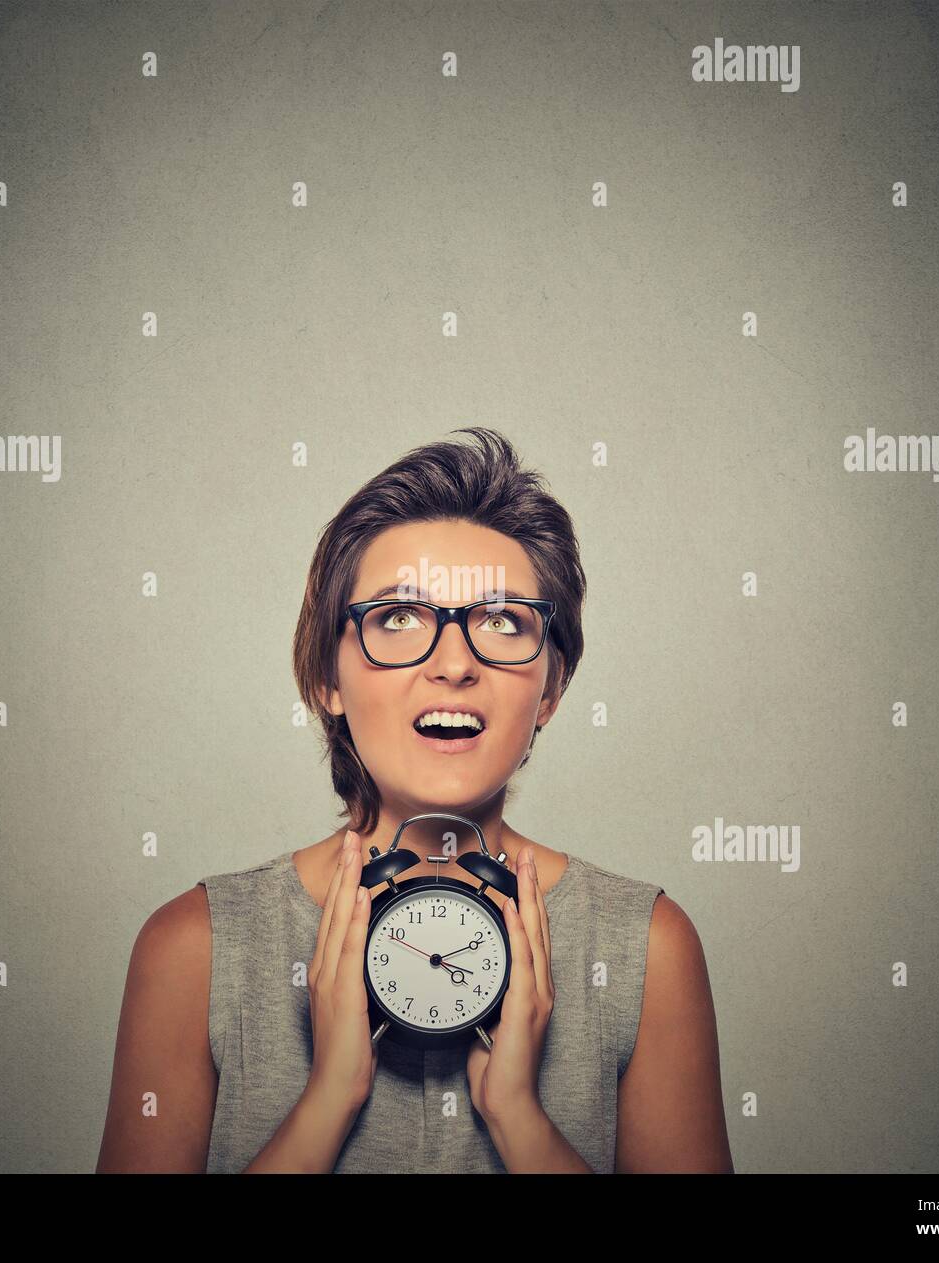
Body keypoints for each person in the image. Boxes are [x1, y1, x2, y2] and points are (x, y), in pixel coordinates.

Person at [96, 428, 733, 1173]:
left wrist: (520, 1118)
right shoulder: (193, 953)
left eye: (503, 620)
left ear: (552, 689)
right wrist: (328, 1097)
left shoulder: (646, 950)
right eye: (398, 618)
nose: (454, 663)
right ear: (326, 677)